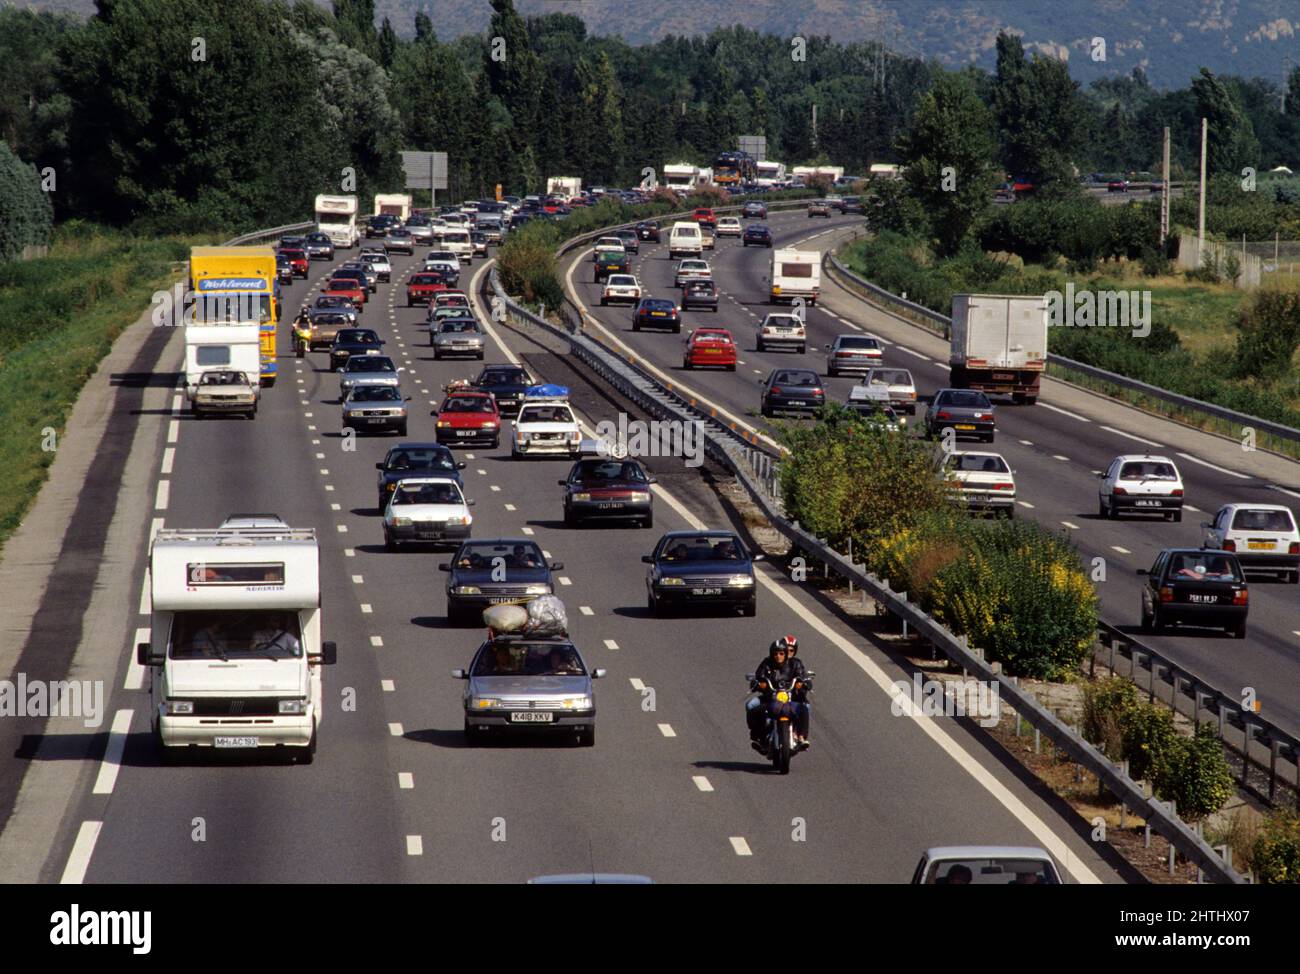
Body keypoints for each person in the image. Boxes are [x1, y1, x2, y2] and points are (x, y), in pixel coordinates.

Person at [745, 638, 810, 753]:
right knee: (751, 706)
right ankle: (758, 737)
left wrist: (803, 683)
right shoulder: (766, 663)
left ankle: (800, 737)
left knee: (805, 708)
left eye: (781, 653)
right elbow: (758, 675)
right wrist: (757, 683)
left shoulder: (795, 663)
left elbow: (802, 676)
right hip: (769, 698)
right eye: (775, 654)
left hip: (790, 698)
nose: (778, 656)